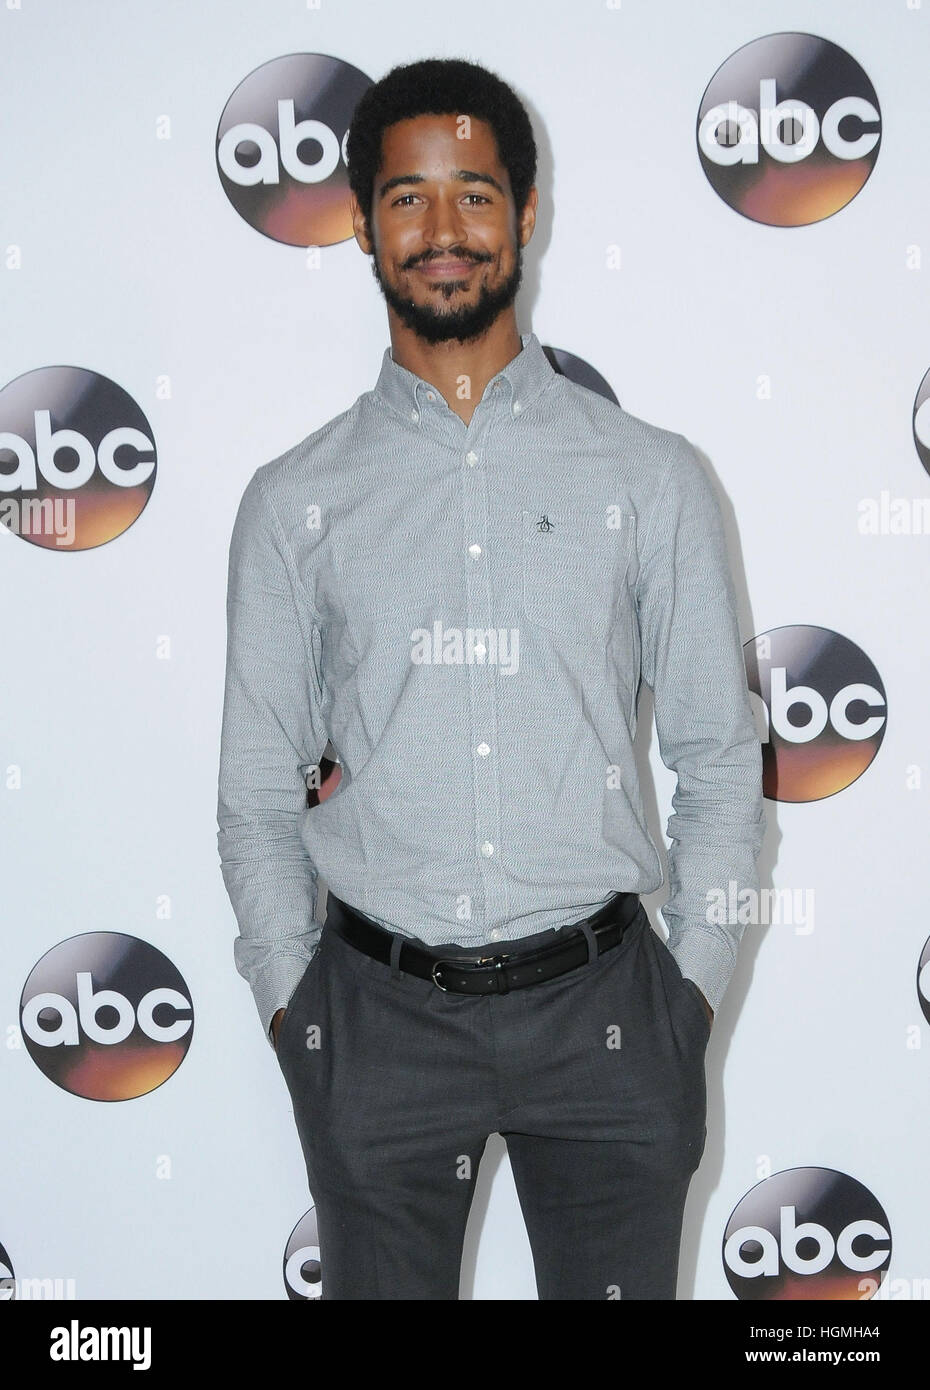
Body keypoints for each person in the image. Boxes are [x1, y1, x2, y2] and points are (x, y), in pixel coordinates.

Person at [216, 56, 766, 1300]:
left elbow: (721, 764)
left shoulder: (651, 475)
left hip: (612, 1014)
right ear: (360, 222)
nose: (445, 231)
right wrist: (301, 1015)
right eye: (407, 199)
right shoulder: (296, 501)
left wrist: (686, 1003)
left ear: (527, 210)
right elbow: (255, 796)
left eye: (476, 193)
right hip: (373, 1019)